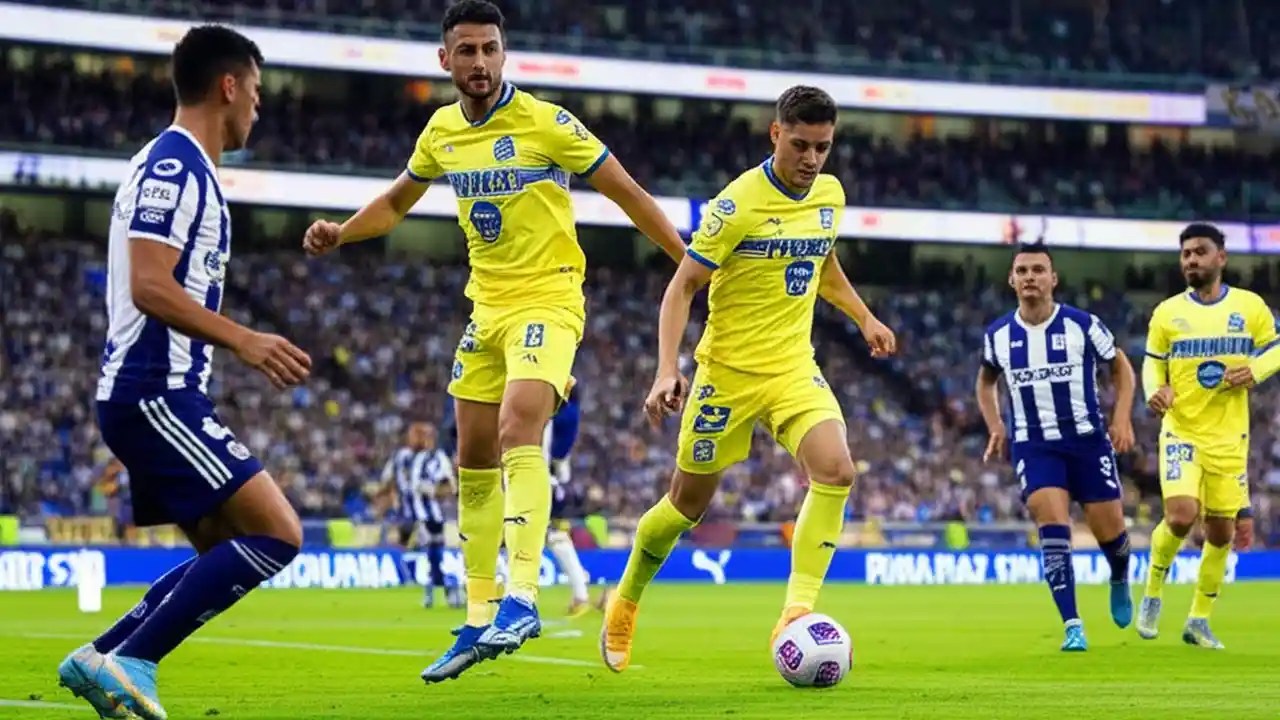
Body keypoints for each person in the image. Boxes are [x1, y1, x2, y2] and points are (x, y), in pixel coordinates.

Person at [301, 0, 685, 683]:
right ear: (444, 60)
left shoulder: (546, 123)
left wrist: (688, 262)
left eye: (490, 49)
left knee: (517, 430)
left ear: (504, 54)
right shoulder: (442, 131)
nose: (479, 62)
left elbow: (626, 192)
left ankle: (523, 598)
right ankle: (479, 615)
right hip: (485, 309)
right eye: (467, 51)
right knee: (471, 455)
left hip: (550, 298)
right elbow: (395, 203)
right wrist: (342, 232)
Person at [57, 26, 310, 720]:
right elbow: (149, 283)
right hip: (154, 393)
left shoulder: (179, 166)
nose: (257, 109)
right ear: (228, 86)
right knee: (281, 535)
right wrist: (246, 341)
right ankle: (133, 659)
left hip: (151, 393)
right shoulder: (175, 167)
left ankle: (100, 654)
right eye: (255, 94)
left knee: (229, 551)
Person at [599, 85, 897, 673]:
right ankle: (626, 597)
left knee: (837, 470)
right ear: (775, 134)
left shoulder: (829, 195)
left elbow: (823, 261)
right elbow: (682, 285)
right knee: (686, 506)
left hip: (791, 368)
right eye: (802, 145)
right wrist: (667, 368)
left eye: (823, 148)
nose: (812, 160)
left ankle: (795, 612)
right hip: (727, 375)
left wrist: (863, 316)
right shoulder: (736, 205)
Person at [975, 243, 1137, 652]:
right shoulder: (997, 335)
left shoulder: (1083, 325)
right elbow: (985, 381)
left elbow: (1120, 365)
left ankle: (1119, 575)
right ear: (1012, 280)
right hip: (1034, 445)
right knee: (1052, 523)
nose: (1030, 277)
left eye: (1038, 270)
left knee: (1111, 534)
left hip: (1087, 441)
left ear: (1053, 279)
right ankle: (1072, 624)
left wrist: (1120, 418)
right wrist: (996, 424)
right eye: (1022, 270)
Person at [1137, 223, 1280, 648]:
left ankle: (1198, 619)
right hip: (1182, 429)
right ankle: (1152, 592)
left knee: (1221, 534)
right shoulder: (1166, 313)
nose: (1191, 260)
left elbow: (1275, 349)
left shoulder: (1250, 307)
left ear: (1222, 257)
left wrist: (1254, 371)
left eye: (1200, 252)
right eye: (1185, 254)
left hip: (1229, 440)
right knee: (1181, 516)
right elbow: (1151, 363)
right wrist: (1154, 390)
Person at [381, 422, 460, 608]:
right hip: (408, 515)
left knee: (433, 556)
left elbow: (449, 486)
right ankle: (442, 588)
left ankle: (447, 587)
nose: (417, 438)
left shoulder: (437, 458)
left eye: (421, 434)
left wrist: (431, 490)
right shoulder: (402, 457)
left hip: (431, 516)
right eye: (414, 434)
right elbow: (388, 481)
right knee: (422, 554)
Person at [542, 377, 593, 616]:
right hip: (553, 481)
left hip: (545, 481)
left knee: (554, 537)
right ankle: (580, 588)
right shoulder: (566, 415)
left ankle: (581, 592)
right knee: (554, 537)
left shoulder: (561, 416)